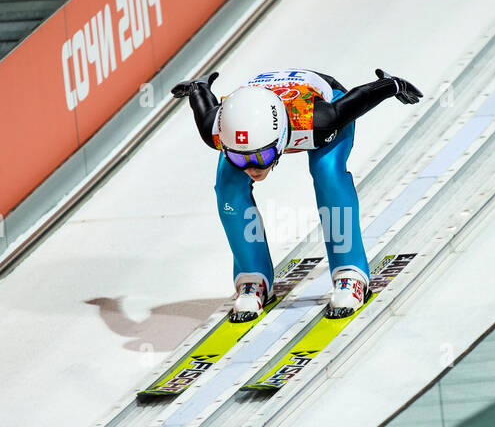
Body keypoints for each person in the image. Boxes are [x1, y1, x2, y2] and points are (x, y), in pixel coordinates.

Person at [172, 67, 422, 322]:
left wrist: (392, 85)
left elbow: (360, 97)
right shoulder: (214, 129)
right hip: (252, 108)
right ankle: (252, 276)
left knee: (327, 171)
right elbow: (201, 96)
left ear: (281, 141)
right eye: (239, 157)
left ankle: (350, 272)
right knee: (228, 186)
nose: (252, 168)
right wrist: (198, 87)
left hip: (314, 102)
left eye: (263, 156)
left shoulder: (321, 120)